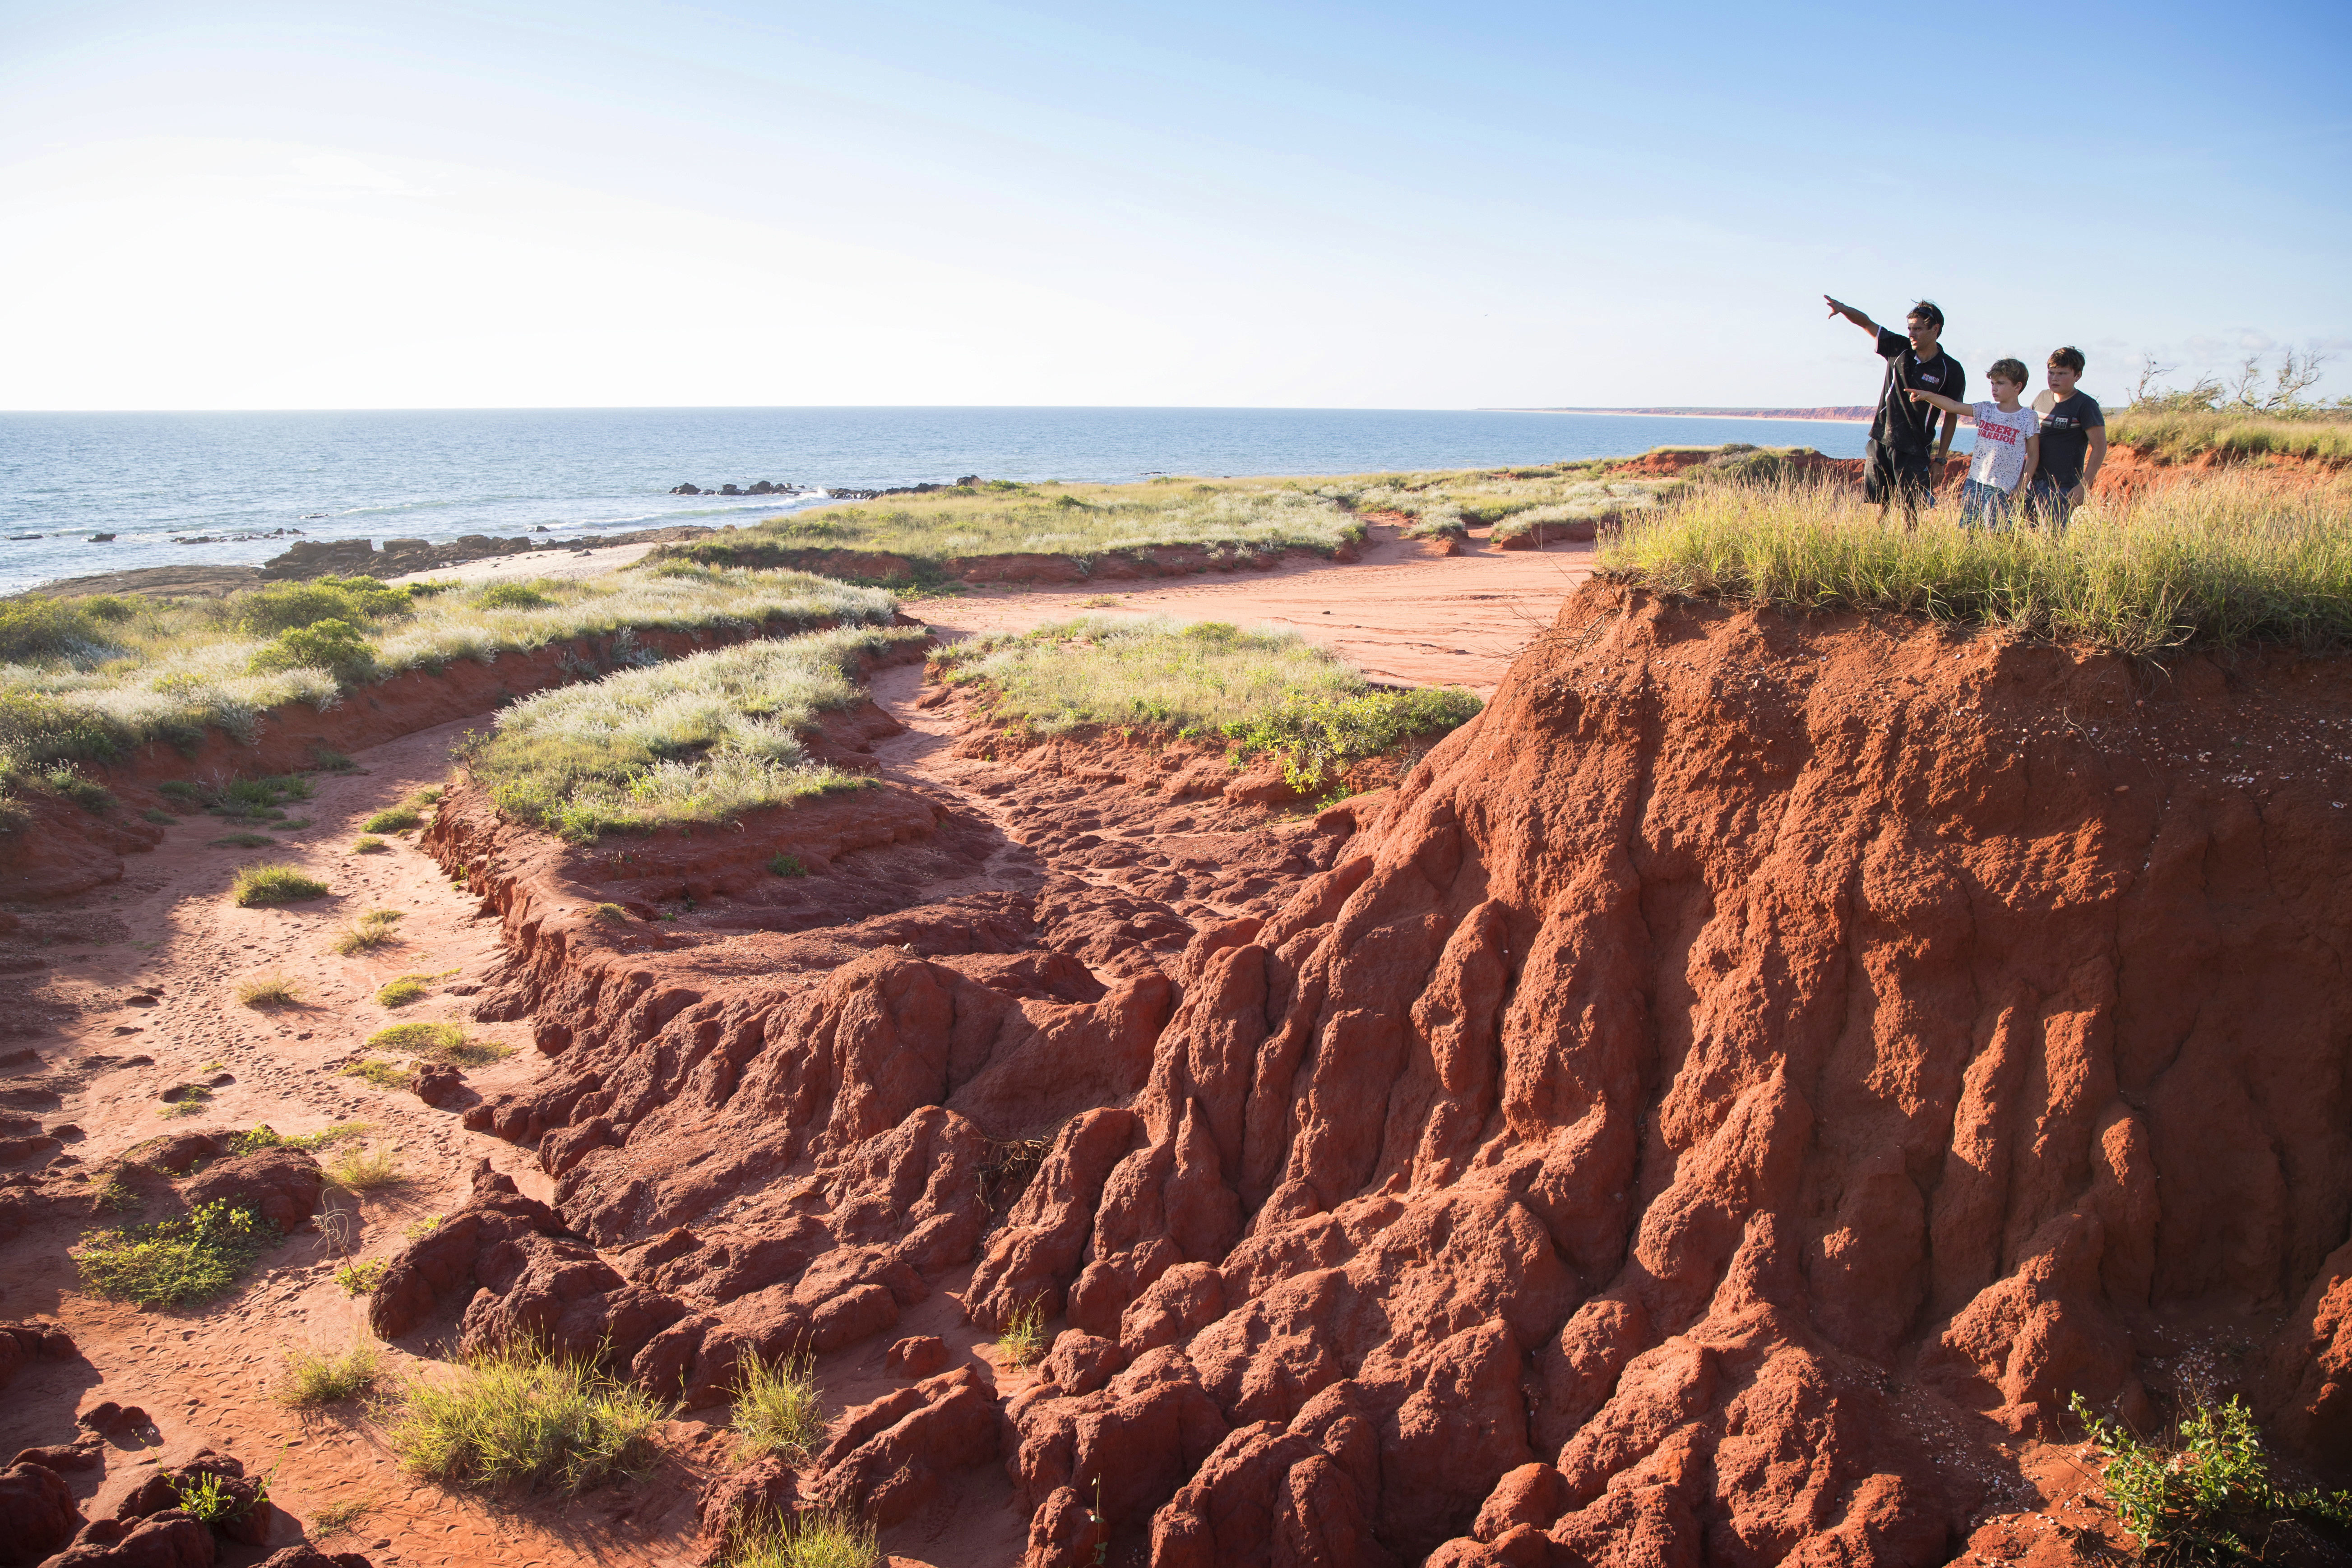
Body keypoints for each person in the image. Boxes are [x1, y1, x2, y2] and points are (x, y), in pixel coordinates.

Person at [1823, 296, 1965, 516]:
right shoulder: (1899, 348)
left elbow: (1952, 415)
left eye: (1918, 329)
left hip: (1916, 448)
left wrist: (1942, 460)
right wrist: (1843, 309)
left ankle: (1910, 548)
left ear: (1935, 329)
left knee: (1912, 510)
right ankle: (1879, 544)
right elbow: (1867, 323)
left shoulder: (1951, 369)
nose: (1911, 334)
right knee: (1882, 504)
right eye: (1910, 328)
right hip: (1881, 438)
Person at [1906, 358, 2041, 527]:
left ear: (2018, 386)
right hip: (1975, 481)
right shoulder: (1986, 410)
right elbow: (1953, 406)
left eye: (2000, 383)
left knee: (1999, 535)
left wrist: (2022, 486)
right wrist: (1928, 396)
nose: (1995, 388)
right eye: (1992, 383)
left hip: (2003, 488)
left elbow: (2034, 455)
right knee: (1971, 531)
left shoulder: (2028, 417)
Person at [2027, 346, 2105, 523]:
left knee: (2051, 543)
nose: (2054, 378)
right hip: (2031, 482)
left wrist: (2084, 486)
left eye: (2062, 374)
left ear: (2077, 375)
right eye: (2051, 373)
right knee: (2023, 539)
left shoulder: (2086, 405)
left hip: (2061, 486)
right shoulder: (2041, 398)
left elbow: (2100, 447)